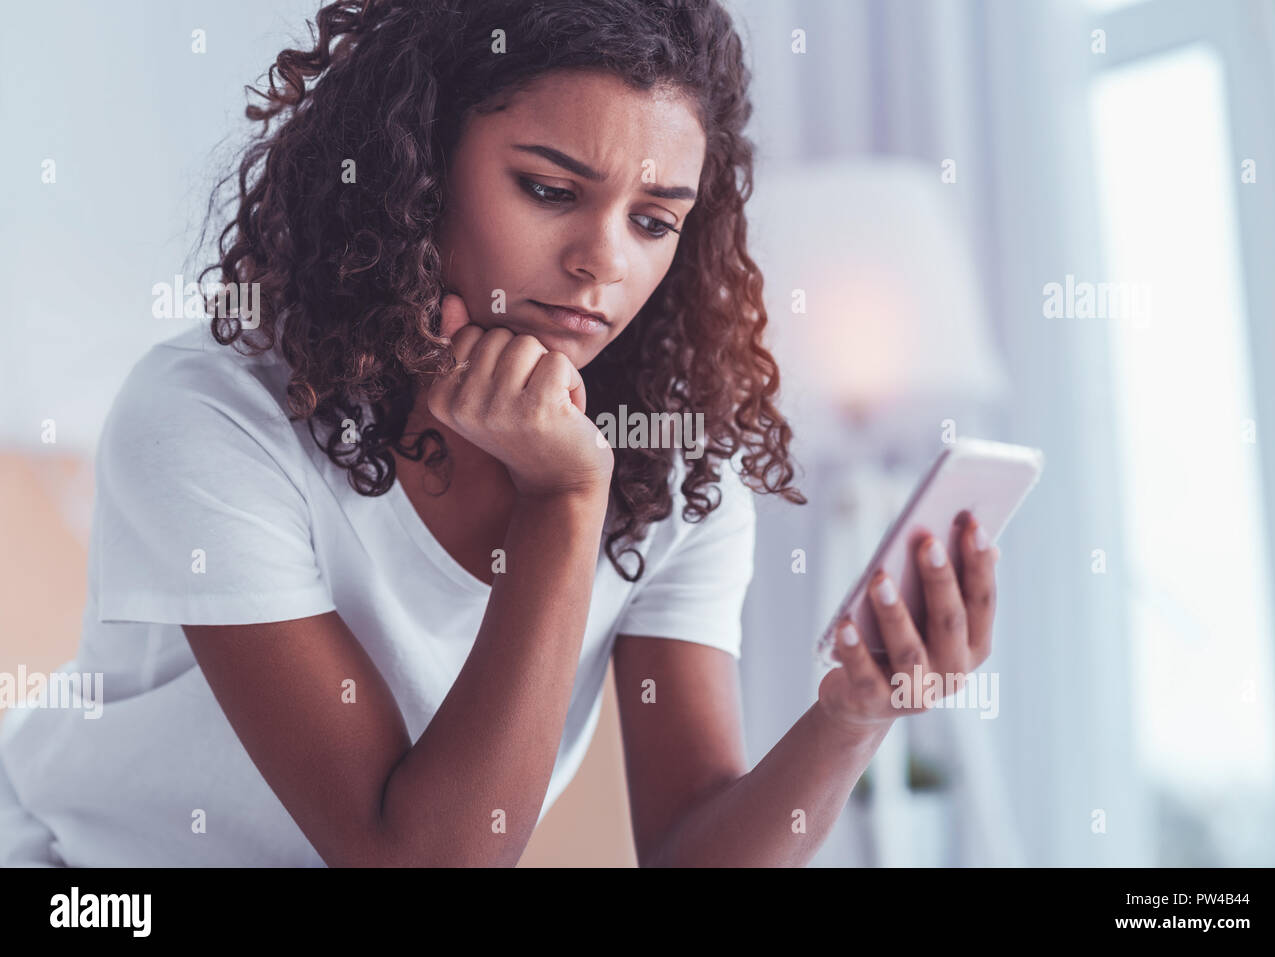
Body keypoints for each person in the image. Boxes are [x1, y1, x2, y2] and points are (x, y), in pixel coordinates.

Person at [0, 0, 999, 868]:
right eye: (552, 191)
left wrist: (850, 718)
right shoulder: (213, 418)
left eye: (653, 220)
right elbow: (413, 860)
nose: (601, 264)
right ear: (419, 167)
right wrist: (563, 504)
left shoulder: (677, 470)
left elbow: (690, 845)